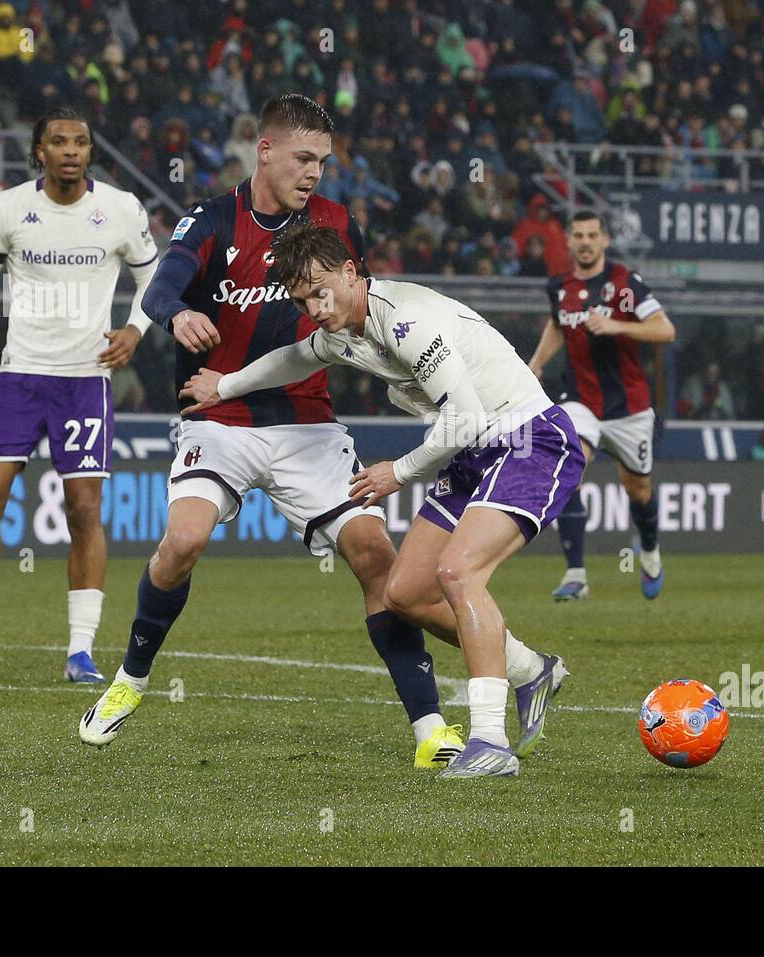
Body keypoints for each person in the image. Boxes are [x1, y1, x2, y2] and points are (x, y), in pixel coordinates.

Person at [78, 95, 465, 771]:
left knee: (378, 559)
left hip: (307, 422)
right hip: (219, 418)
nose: (315, 172)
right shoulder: (214, 218)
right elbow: (160, 289)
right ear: (264, 149)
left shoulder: (336, 224)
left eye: (324, 161)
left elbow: (365, 307)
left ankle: (432, 730)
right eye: (303, 157)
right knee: (183, 541)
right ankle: (129, 681)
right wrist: (177, 317)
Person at [179, 221, 585, 778]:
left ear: (352, 272)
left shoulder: (407, 320)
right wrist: (222, 386)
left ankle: (489, 742)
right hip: (470, 454)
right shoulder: (346, 329)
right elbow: (295, 358)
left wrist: (399, 471)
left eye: (321, 290)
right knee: (404, 592)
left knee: (458, 573)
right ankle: (530, 669)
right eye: (303, 299)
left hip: (528, 439)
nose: (316, 307)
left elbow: (463, 418)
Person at [0, 106, 159, 682]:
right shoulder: (10, 208)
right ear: (40, 152)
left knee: (84, 510)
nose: (70, 151)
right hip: (19, 376)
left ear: (89, 152)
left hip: (86, 380)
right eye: (58, 142)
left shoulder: (120, 210)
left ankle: (80, 651)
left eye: (80, 142)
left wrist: (136, 328)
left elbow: (152, 278)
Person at [527, 211, 675, 601]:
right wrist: (538, 363)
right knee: (569, 466)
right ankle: (576, 573)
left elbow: (665, 329)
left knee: (638, 489)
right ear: (571, 241)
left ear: (605, 240)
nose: (586, 242)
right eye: (578, 235)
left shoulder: (626, 284)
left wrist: (617, 326)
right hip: (581, 400)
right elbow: (558, 325)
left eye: (593, 235)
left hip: (629, 408)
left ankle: (651, 551)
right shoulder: (559, 286)